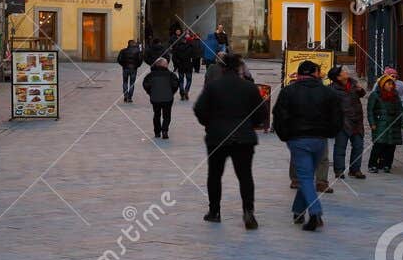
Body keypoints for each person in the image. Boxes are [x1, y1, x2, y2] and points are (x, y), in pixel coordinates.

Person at [193, 52, 267, 228]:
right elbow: (262, 113)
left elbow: (199, 109)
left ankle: (214, 211)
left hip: (217, 136)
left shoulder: (213, 87)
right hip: (244, 137)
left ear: (223, 68)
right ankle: (248, 211)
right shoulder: (249, 87)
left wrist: (210, 124)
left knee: (215, 175)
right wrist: (250, 124)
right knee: (245, 176)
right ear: (239, 68)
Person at [271, 60, 344, 231]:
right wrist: (330, 133)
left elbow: (279, 115)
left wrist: (285, 136)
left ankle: (315, 212)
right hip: (319, 139)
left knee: (305, 177)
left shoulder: (288, 91)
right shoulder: (328, 93)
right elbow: (338, 117)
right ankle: (298, 211)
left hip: (298, 140)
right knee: (308, 176)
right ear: (315, 73)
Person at [330, 64, 367, 180]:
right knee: (340, 147)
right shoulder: (332, 89)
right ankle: (339, 171)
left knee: (358, 146)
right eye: (343, 71)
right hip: (342, 122)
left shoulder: (353, 83)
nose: (346, 72)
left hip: (357, 121)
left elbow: (362, 94)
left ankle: (355, 170)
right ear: (338, 77)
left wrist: (361, 90)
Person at [367, 69, 403, 172]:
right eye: (388, 84)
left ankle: (387, 165)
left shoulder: (395, 95)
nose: (390, 86)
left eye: (392, 84)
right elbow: (370, 111)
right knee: (379, 144)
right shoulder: (375, 95)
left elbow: (400, 109)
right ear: (382, 84)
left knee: (391, 146)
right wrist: (372, 123)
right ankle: (373, 164)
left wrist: (402, 123)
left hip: (393, 123)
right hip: (380, 123)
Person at [142, 55, 177, 138]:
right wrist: (172, 92)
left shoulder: (151, 75)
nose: (167, 65)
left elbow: (145, 84)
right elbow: (175, 84)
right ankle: (164, 131)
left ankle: (157, 132)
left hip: (155, 98)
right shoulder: (170, 75)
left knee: (156, 114)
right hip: (168, 98)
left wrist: (150, 92)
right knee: (167, 115)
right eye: (166, 64)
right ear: (163, 65)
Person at [171, 30, 196, 100]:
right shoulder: (190, 47)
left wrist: (177, 64)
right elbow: (194, 56)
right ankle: (186, 90)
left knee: (181, 80)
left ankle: (182, 92)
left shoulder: (177, 47)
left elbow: (174, 57)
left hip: (180, 66)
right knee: (189, 80)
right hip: (188, 65)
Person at [117, 38, 144, 102]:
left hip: (125, 68)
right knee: (132, 83)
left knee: (125, 82)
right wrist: (137, 66)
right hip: (133, 69)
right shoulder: (137, 51)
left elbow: (119, 59)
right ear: (133, 44)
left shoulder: (123, 51)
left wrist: (123, 65)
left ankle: (125, 96)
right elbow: (140, 60)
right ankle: (129, 97)